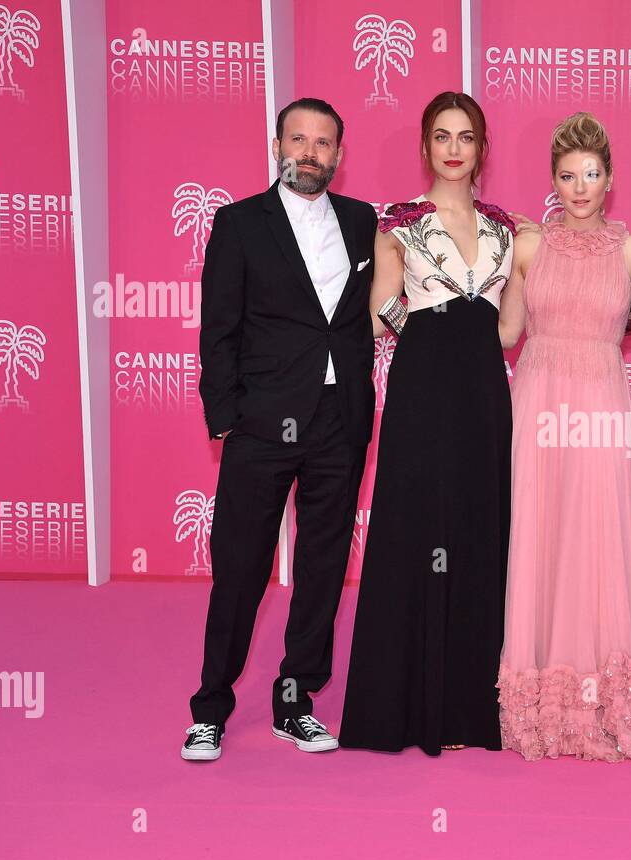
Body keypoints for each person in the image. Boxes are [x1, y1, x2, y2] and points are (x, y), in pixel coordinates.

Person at [182, 97, 376, 761]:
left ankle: (295, 700)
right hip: (262, 424)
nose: (311, 152)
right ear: (277, 145)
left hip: (338, 420)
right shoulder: (238, 224)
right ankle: (210, 706)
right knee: (240, 568)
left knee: (323, 568)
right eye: (299, 139)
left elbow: (376, 313)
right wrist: (225, 421)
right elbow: (218, 330)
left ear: (339, 156)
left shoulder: (361, 222)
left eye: (324, 143)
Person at [496, 112, 631, 763]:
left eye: (592, 174)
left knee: (598, 541)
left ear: (610, 179)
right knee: (540, 537)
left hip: (602, 409)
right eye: (568, 175)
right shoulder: (526, 246)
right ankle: (538, 696)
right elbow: (504, 335)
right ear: (553, 180)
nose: (580, 186)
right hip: (538, 404)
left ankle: (602, 698)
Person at [339, 92, 515, 755]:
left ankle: (472, 708)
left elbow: (514, 322)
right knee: (417, 526)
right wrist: (427, 330)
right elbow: (382, 298)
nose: (452, 148)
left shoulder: (507, 228)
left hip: (484, 387)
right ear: (425, 146)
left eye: (465, 136)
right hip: (422, 383)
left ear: (481, 149)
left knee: (478, 523)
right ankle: (404, 709)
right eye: (441, 135)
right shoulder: (399, 224)